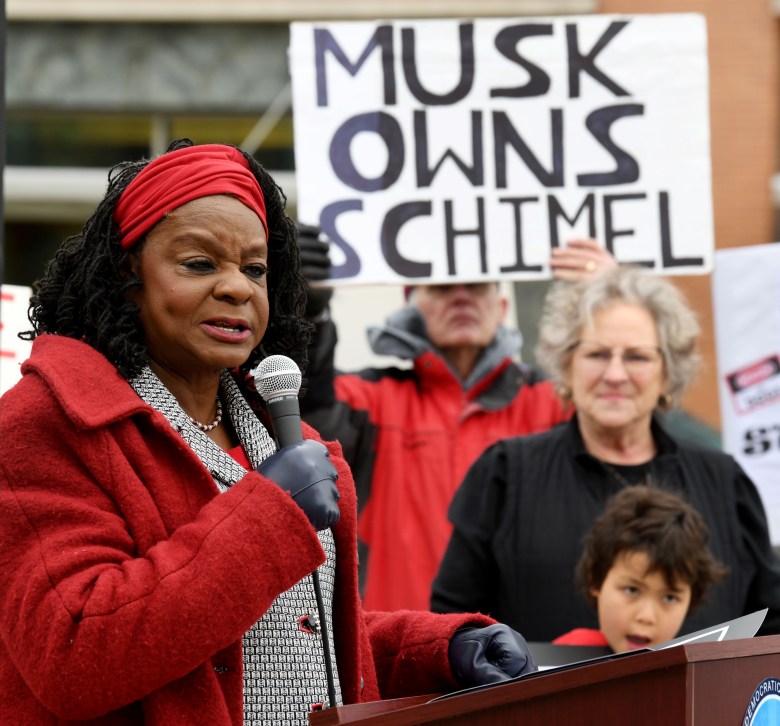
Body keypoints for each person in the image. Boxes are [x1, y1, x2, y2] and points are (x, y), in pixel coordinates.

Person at [0, 139, 538, 725]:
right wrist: (269, 513)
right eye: (200, 263)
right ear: (128, 275)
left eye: (254, 268)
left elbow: (286, 641)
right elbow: (76, 653)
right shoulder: (46, 424)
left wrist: (439, 649)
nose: (238, 288)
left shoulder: (276, 430)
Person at [431, 266, 780, 641]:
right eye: (597, 354)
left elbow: (769, 623)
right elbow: (452, 627)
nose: (615, 374)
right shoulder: (505, 474)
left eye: (637, 357)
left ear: (668, 373)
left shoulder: (724, 483)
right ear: (566, 366)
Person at [299, 226, 615, 612]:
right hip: (399, 652)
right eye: (443, 286)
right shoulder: (370, 398)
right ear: (410, 302)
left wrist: (610, 300)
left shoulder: (552, 401)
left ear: (501, 307)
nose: (461, 296)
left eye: (478, 284)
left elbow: (628, 413)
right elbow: (308, 411)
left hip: (533, 656)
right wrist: (305, 311)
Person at [553, 485, 728, 651]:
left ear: (691, 599)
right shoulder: (552, 668)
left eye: (669, 598)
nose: (646, 617)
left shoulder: (699, 676)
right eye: (631, 590)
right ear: (596, 580)